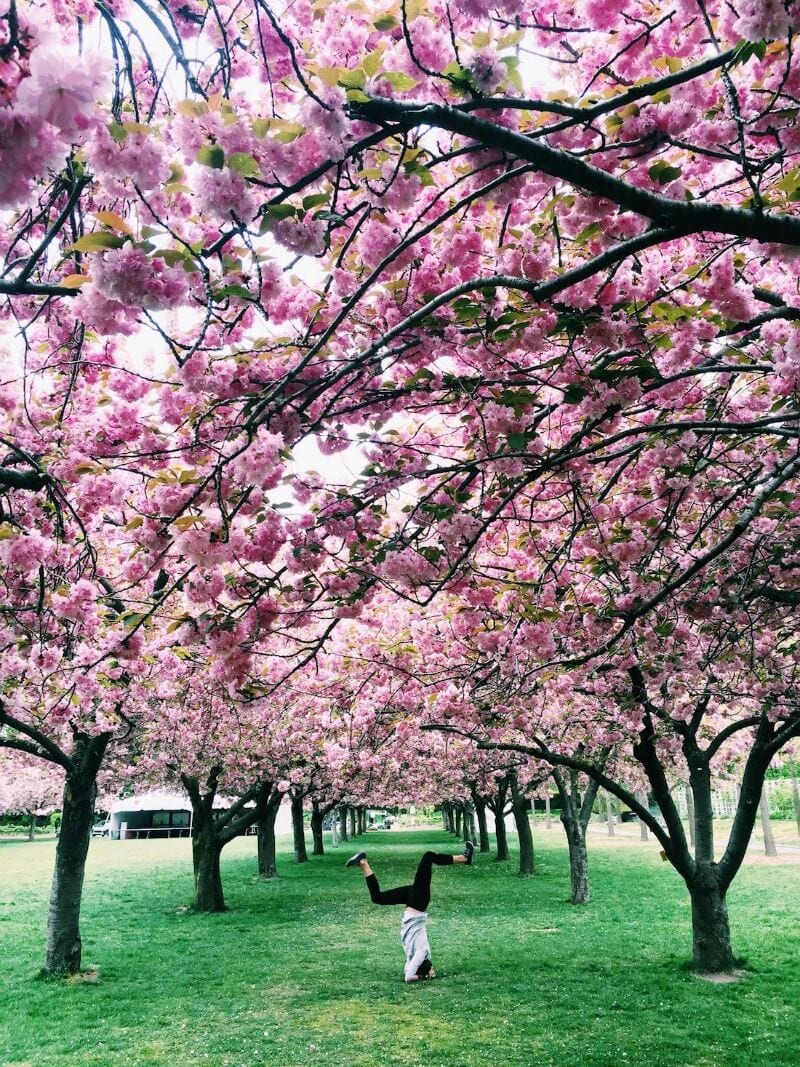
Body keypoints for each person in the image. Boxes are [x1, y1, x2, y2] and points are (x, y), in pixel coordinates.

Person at [345, 842, 474, 982]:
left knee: (379, 897)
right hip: (415, 903)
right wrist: (426, 974)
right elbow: (409, 969)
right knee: (427, 857)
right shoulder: (414, 957)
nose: (434, 970)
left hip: (416, 901)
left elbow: (408, 976)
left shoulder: (419, 955)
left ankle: (363, 863)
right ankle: (463, 858)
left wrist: (423, 976)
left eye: (432, 969)